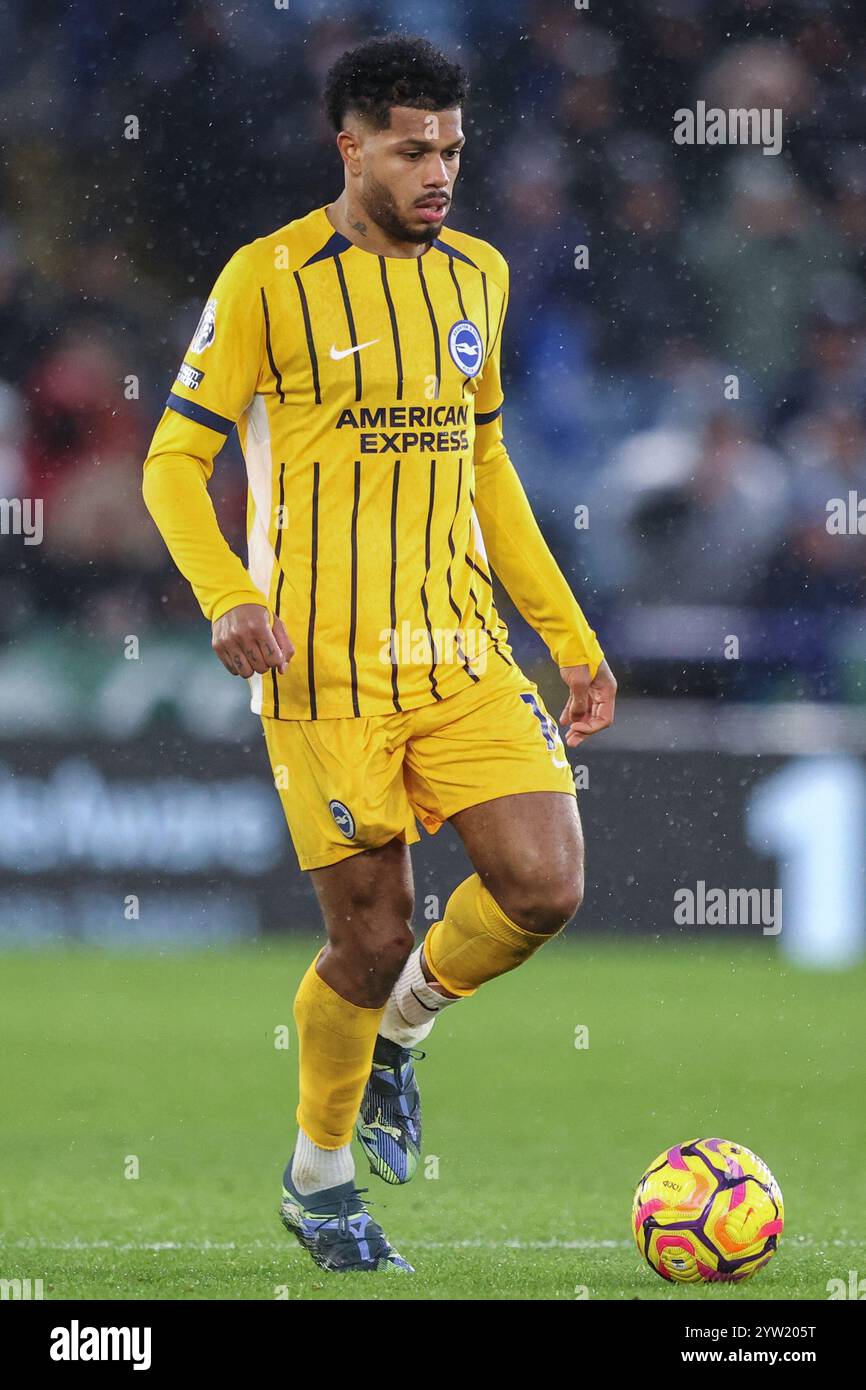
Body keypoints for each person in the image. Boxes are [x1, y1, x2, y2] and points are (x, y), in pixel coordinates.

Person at [142, 33, 616, 1275]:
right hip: (322, 670)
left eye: (451, 148)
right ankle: (319, 1179)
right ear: (348, 147)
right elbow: (172, 464)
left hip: (459, 649)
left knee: (544, 885)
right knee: (368, 937)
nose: (438, 171)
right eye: (412, 150)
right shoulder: (267, 278)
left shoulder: (479, 276)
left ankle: (400, 1035)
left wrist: (568, 638)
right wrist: (227, 596)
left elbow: (486, 466)